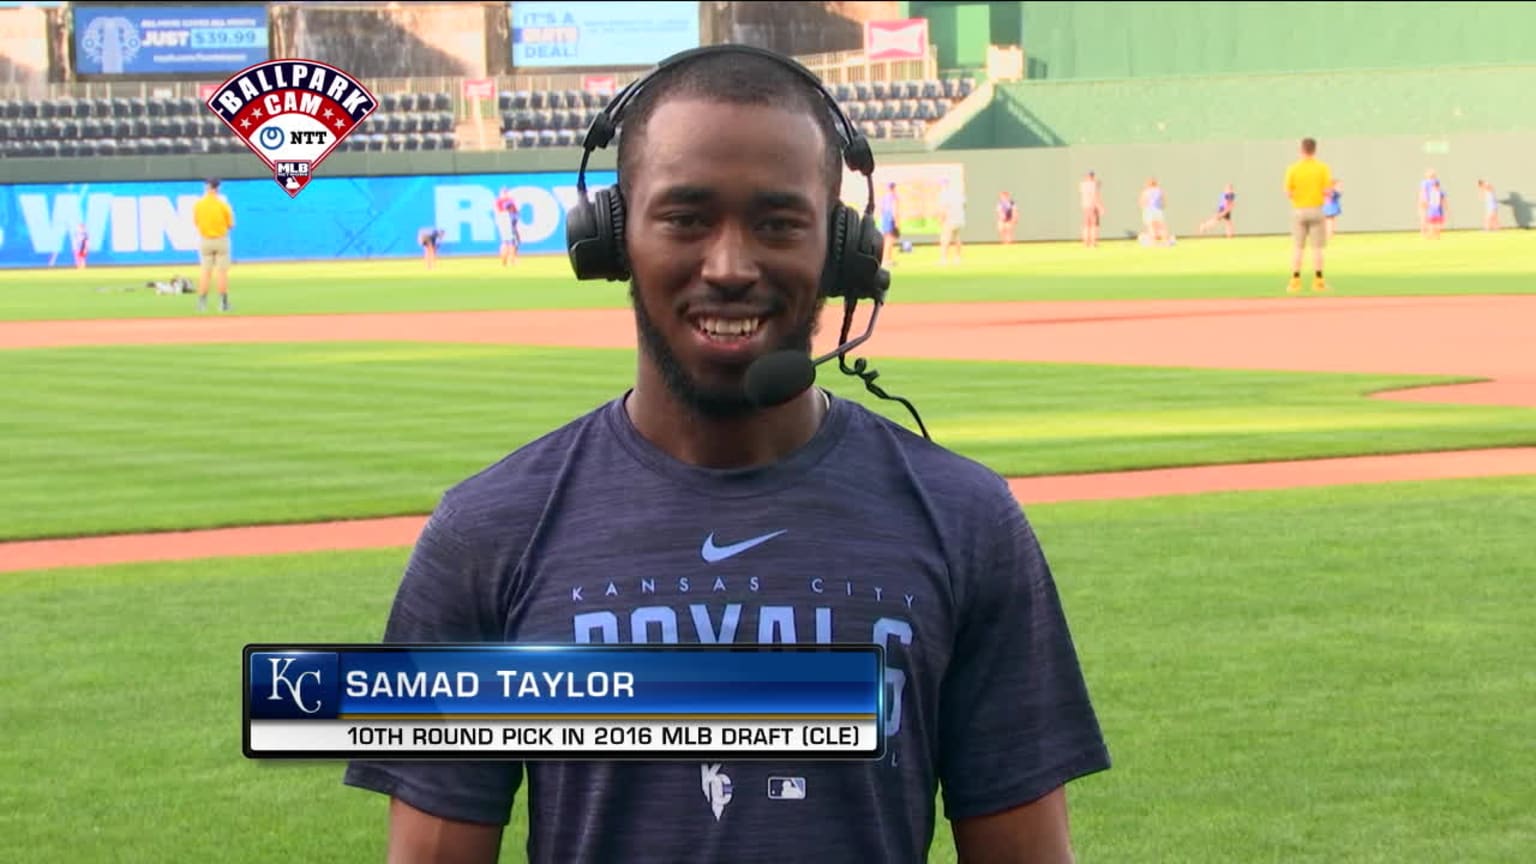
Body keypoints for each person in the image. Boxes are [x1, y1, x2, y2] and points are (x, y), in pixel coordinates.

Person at [342, 44, 1110, 864]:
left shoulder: (967, 521)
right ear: (610, 238)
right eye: (685, 218)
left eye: (778, 223)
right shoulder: (488, 532)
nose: (731, 265)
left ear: (844, 251)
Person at [1283, 137, 1333, 293]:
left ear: (1301, 150)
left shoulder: (1293, 169)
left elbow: (1288, 193)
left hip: (1299, 210)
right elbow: (1328, 191)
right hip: (1317, 209)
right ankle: (1318, 281)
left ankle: (1295, 281)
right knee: (1317, 248)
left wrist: (1299, 194)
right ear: (1315, 150)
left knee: (1298, 248)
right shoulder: (1322, 168)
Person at [191, 179, 234, 312]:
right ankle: (223, 303)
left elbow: (196, 222)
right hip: (221, 239)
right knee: (222, 272)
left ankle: (202, 303)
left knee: (205, 272)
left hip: (205, 240)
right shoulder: (223, 205)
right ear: (218, 188)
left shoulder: (198, 205)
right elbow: (231, 224)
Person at [938, 176, 965, 264]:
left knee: (945, 238)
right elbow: (964, 204)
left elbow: (944, 208)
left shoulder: (944, 194)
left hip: (949, 219)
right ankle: (958, 258)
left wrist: (941, 220)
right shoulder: (957, 193)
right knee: (957, 237)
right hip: (959, 218)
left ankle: (944, 258)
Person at [1138, 178, 1169, 246]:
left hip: (1149, 210)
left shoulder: (1146, 191)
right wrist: (1161, 207)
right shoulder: (1160, 191)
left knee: (1151, 227)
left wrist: (1144, 208)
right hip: (1158, 210)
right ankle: (1165, 241)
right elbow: (1164, 201)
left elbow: (1142, 201)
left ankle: (1153, 242)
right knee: (1161, 227)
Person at [494, 186, 521, 265]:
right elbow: (514, 212)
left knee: (505, 241)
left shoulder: (498, 201)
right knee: (512, 242)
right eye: (505, 192)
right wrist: (514, 223)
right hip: (508, 220)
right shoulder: (510, 201)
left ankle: (504, 262)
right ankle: (512, 260)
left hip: (502, 221)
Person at [878, 180, 900, 265]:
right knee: (890, 239)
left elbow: (881, 209)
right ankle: (887, 259)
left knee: (884, 239)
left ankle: (884, 258)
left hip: (884, 218)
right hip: (890, 218)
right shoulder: (894, 197)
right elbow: (895, 210)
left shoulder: (884, 197)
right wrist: (896, 221)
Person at [1079, 170, 1103, 247]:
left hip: (1085, 205)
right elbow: (1095, 196)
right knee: (1094, 224)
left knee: (1086, 224)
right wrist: (1100, 206)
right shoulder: (1093, 184)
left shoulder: (1083, 184)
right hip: (1092, 205)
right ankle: (1093, 242)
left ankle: (1085, 242)